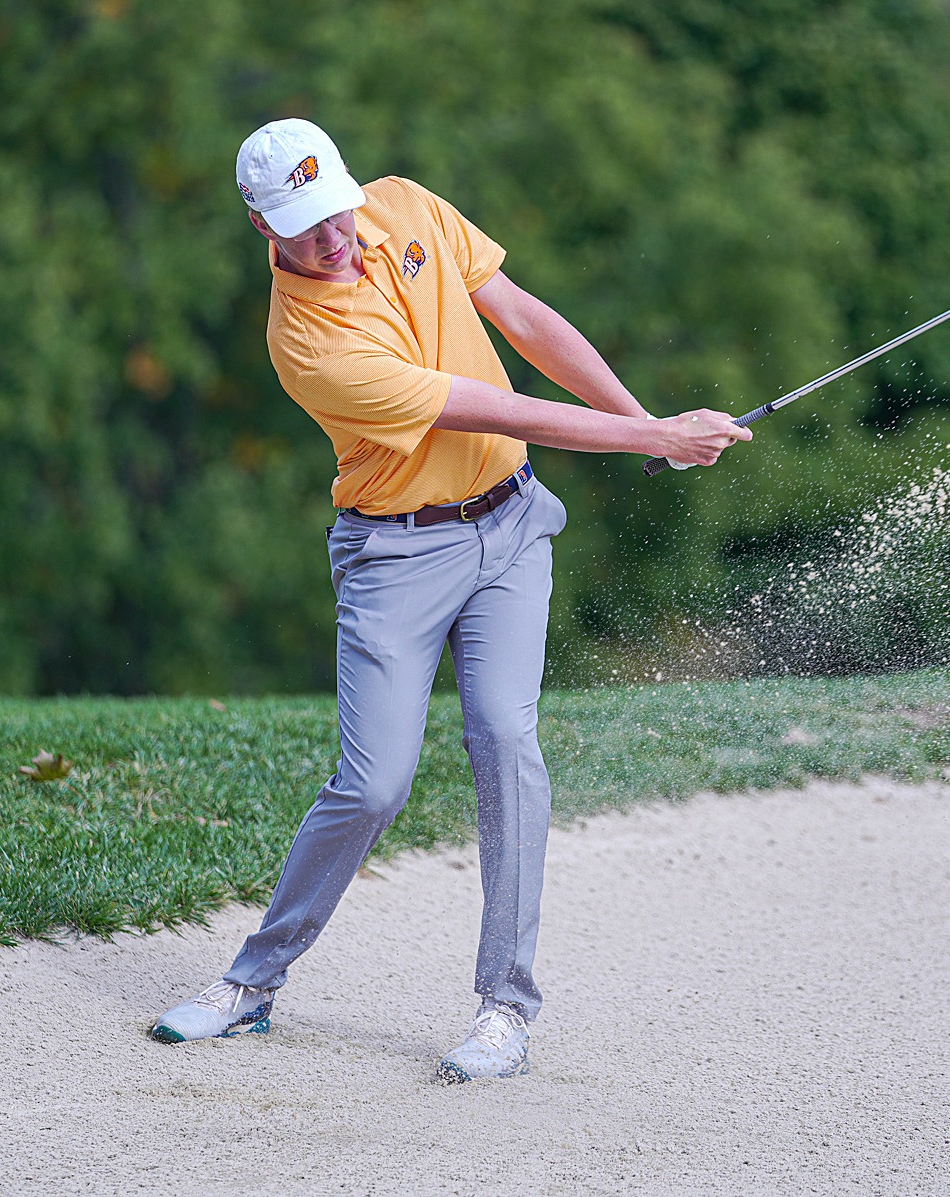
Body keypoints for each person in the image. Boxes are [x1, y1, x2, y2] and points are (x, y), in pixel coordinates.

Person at [151, 118, 747, 1082]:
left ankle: (505, 1008)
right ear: (263, 227)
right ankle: (254, 982)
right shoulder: (308, 346)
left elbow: (523, 318)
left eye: (334, 212)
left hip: (510, 529)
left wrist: (646, 421)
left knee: (504, 741)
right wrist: (649, 441)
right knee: (374, 781)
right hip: (397, 555)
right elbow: (490, 407)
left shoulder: (403, 205)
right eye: (304, 228)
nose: (334, 238)